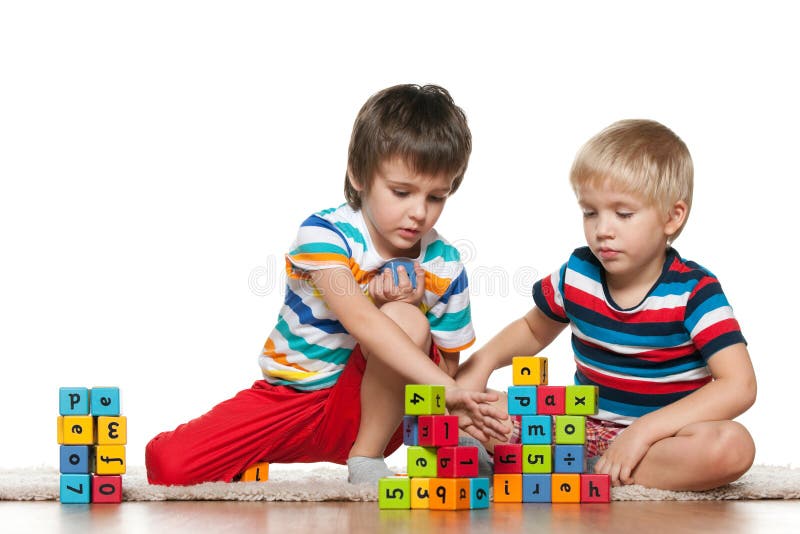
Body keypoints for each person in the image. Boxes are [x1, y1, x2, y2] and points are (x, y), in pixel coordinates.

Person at [145, 84, 508, 486]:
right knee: (168, 465)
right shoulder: (323, 234)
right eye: (401, 192)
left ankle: (368, 459)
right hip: (292, 400)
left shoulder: (446, 264)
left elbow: (449, 362)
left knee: (406, 317)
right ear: (358, 175)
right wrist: (443, 383)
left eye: (437, 196)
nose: (419, 212)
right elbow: (360, 320)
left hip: (379, 414)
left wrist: (453, 414)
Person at [456, 119, 756, 491]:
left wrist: (644, 432)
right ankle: (576, 465)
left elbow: (739, 385)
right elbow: (533, 329)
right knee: (472, 409)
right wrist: (480, 364)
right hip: (579, 427)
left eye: (623, 214)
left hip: (664, 439)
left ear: (672, 217)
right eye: (590, 212)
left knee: (732, 447)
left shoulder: (695, 292)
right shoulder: (578, 274)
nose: (602, 229)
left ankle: (588, 472)